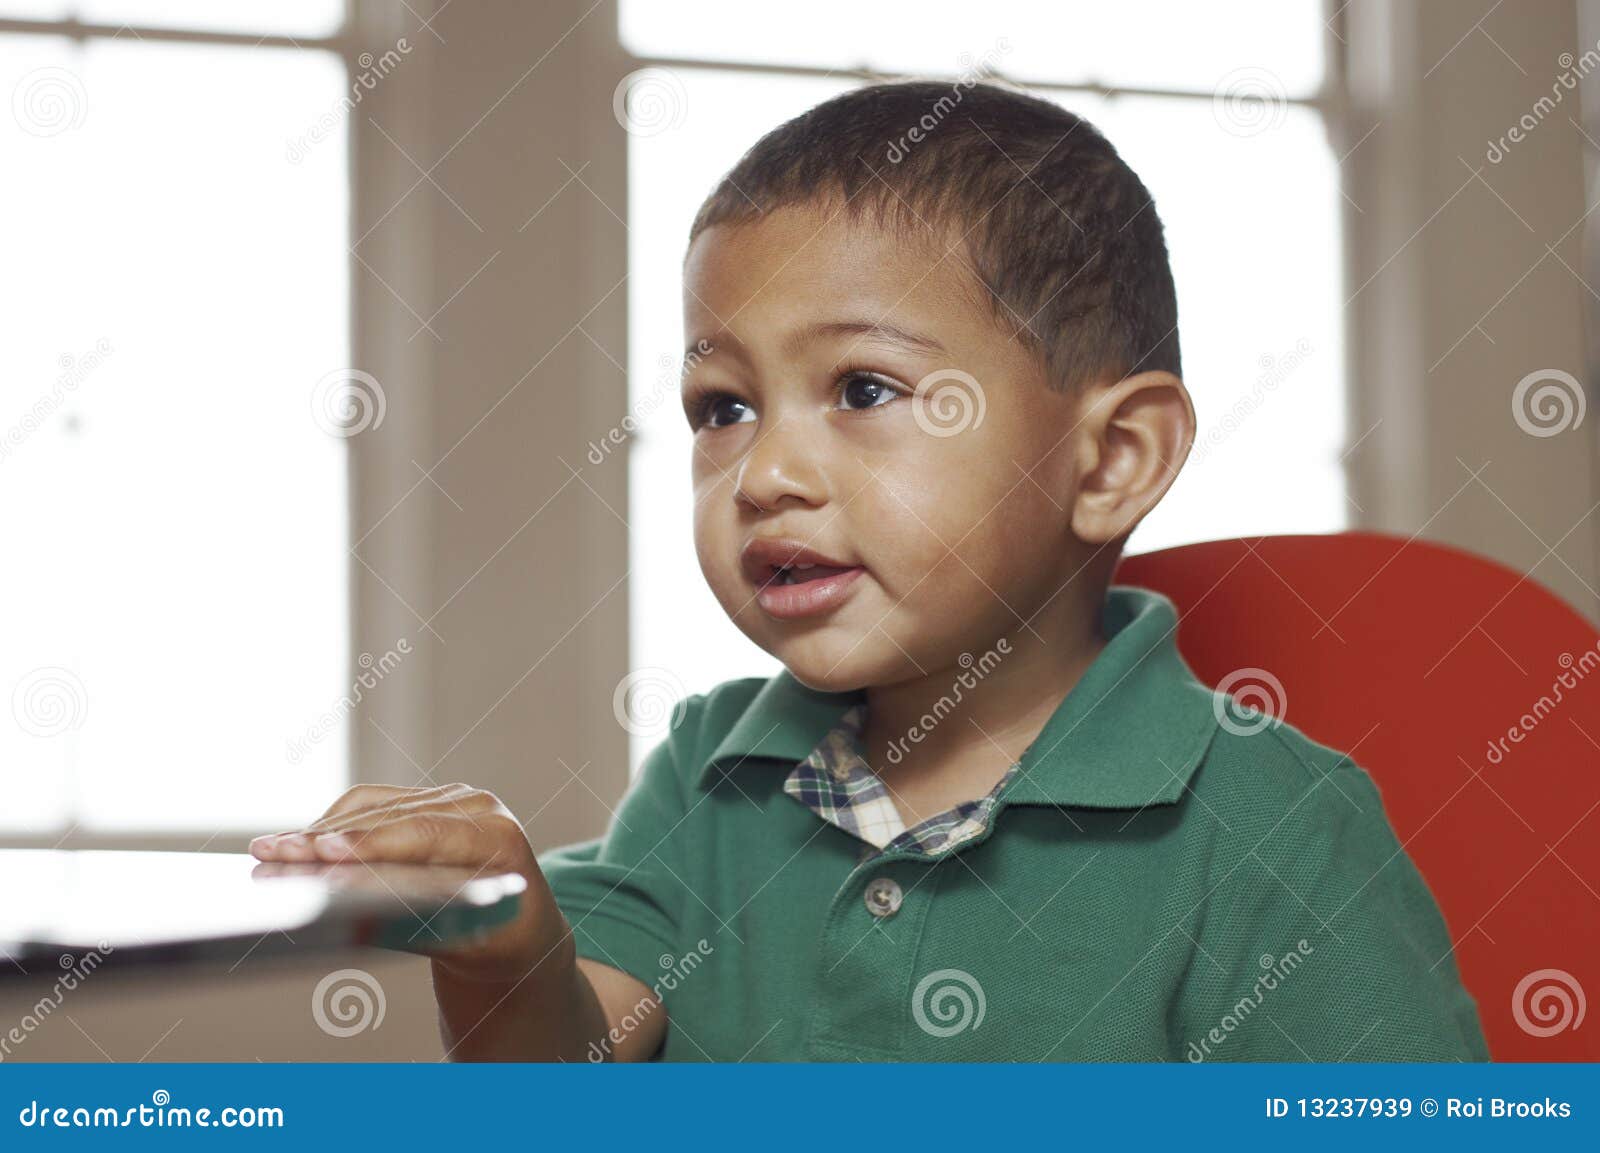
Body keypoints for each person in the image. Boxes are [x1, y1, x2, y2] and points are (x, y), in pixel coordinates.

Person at [252, 81, 1488, 1062]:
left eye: (863, 389)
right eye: (722, 404)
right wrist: (504, 947)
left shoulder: (1272, 830)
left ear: (1111, 458)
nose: (764, 473)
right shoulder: (710, 774)